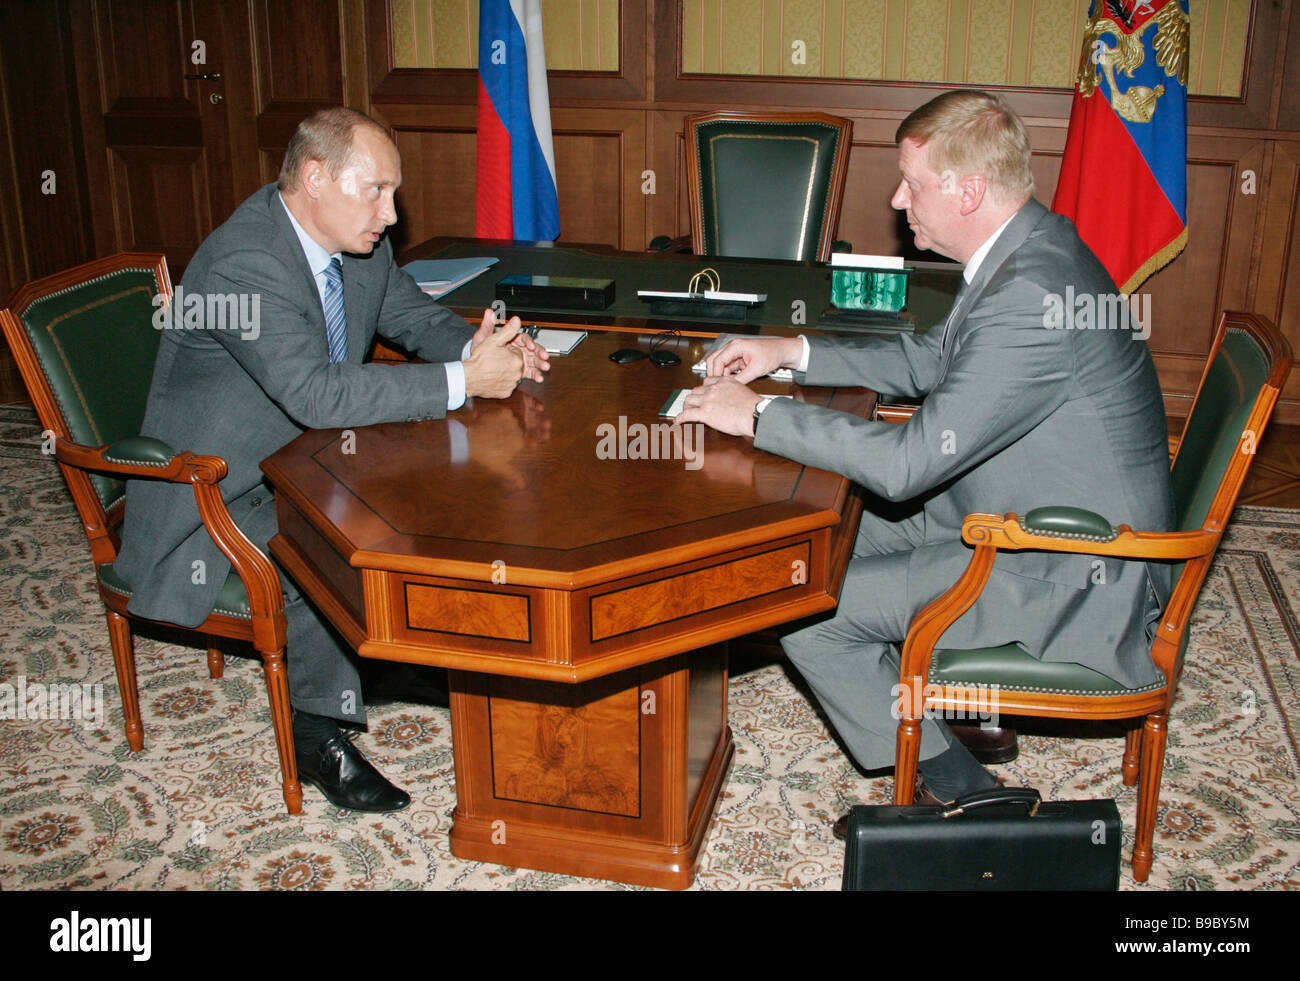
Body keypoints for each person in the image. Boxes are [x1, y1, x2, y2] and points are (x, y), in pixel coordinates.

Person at [675, 90, 1174, 830]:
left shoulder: (1030, 293)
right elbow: (934, 359)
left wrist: (756, 414)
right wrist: (792, 350)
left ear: (969, 191)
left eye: (913, 183)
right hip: (1011, 509)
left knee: (807, 606)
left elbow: (907, 465)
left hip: (1071, 566)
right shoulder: (1031, 246)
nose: (896, 200)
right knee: (801, 530)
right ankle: (954, 715)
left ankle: (957, 785)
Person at [114, 107, 549, 812]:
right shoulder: (245, 262)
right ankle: (316, 735)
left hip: (305, 454)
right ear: (315, 177)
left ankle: (400, 643)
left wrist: (483, 348)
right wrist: (464, 381)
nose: (391, 213)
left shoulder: (356, 240)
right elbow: (315, 394)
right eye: (376, 190)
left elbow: (412, 317)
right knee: (327, 546)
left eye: (393, 192)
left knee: (440, 483)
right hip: (218, 488)